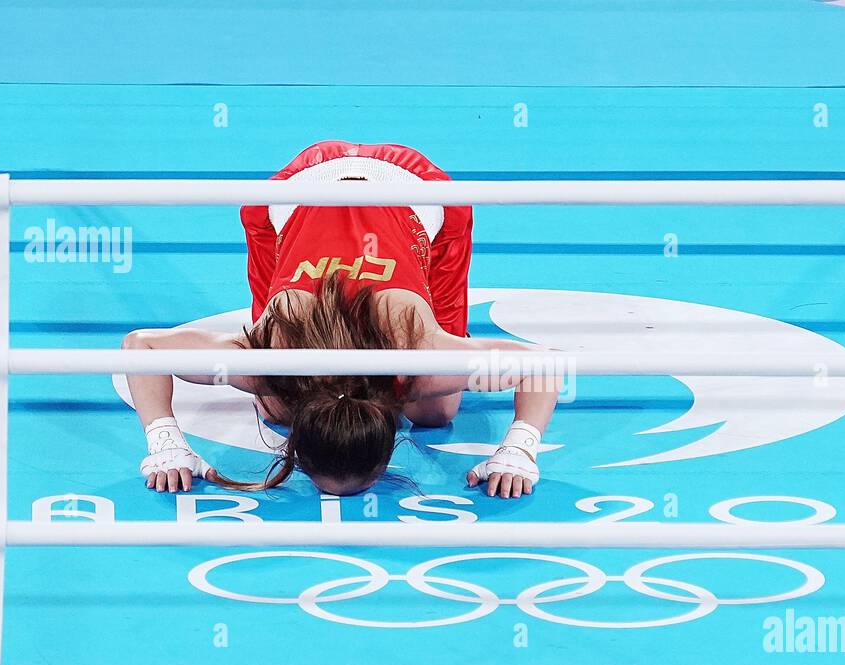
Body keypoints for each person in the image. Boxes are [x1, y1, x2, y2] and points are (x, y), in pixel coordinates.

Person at [122, 141, 559, 498]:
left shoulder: (419, 356)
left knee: (434, 412)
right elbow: (141, 346)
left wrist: (522, 450)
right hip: (302, 197)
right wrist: (166, 444)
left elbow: (143, 346)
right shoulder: (269, 364)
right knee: (278, 403)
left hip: (400, 192)